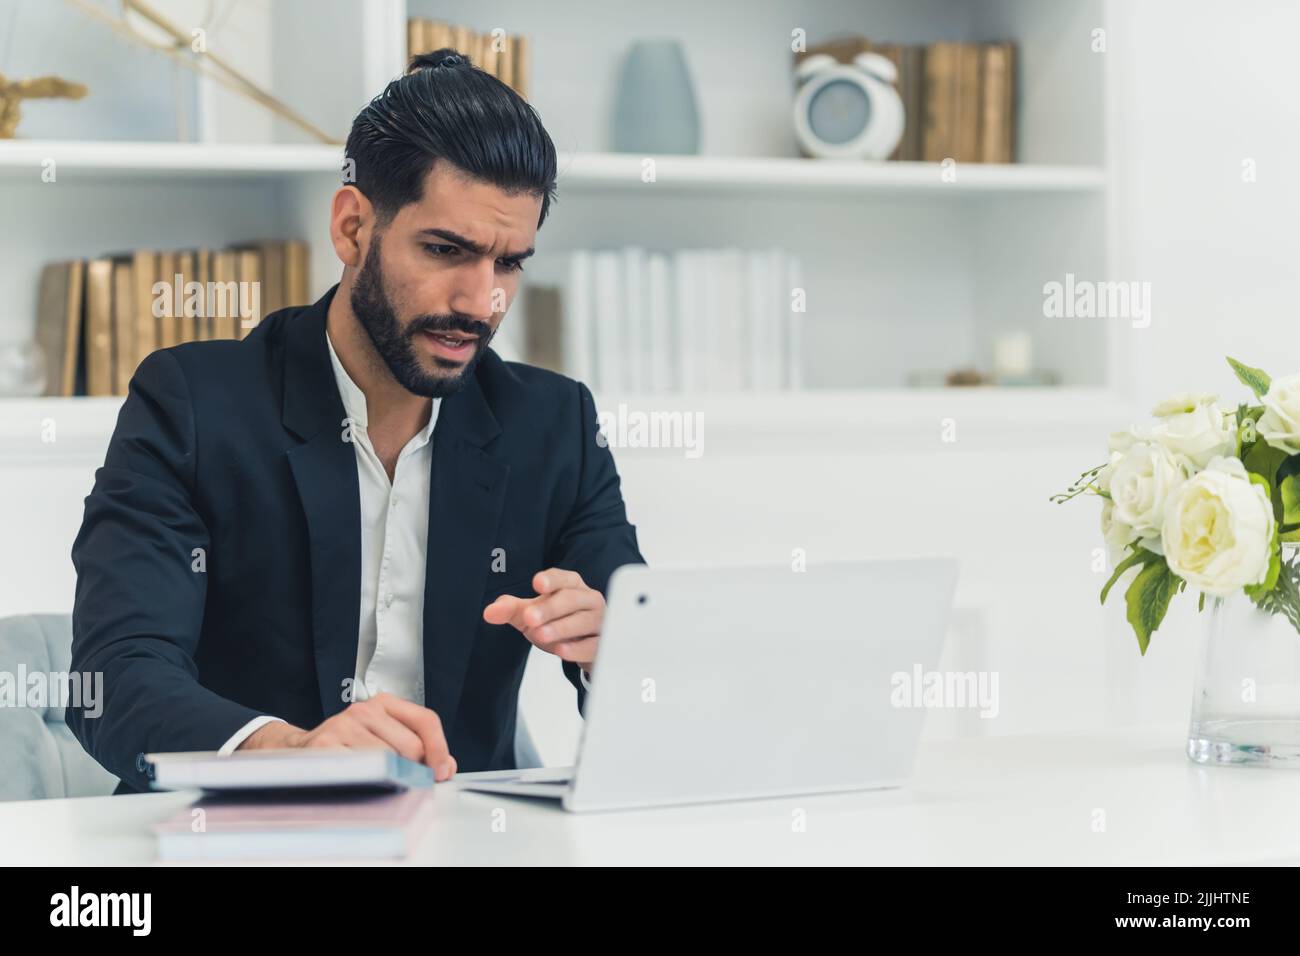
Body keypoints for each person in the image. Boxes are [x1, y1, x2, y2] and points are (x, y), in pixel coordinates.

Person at [67, 49, 644, 795]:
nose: (481, 302)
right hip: (230, 838)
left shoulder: (555, 425)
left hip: (462, 843)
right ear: (352, 228)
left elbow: (654, 689)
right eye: (445, 250)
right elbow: (112, 679)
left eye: (508, 264)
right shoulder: (193, 404)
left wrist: (615, 653)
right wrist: (285, 750)